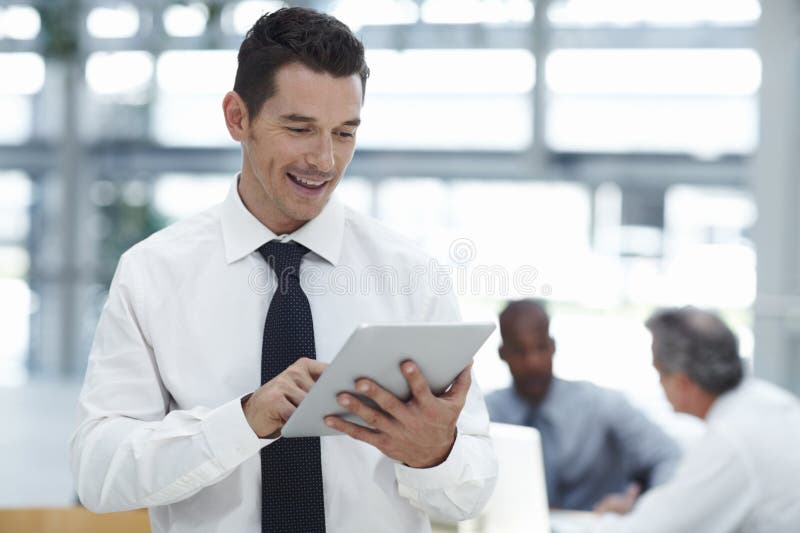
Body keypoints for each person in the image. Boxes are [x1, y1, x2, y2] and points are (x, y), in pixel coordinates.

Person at [70, 8, 497, 533]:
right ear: (237, 118)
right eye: (299, 128)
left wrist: (435, 454)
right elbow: (98, 473)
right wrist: (243, 421)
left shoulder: (412, 276)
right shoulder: (151, 274)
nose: (324, 160)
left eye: (344, 133)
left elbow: (471, 493)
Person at [594, 307, 800, 533]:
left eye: (660, 374)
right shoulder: (769, 402)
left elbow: (660, 528)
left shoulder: (731, 439)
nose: (660, 385)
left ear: (683, 383)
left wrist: (600, 524)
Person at [485, 300, 680, 511]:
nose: (533, 362)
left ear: (553, 346)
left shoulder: (601, 404)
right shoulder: (485, 414)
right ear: (502, 354)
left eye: (540, 348)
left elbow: (669, 456)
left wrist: (642, 508)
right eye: (519, 351)